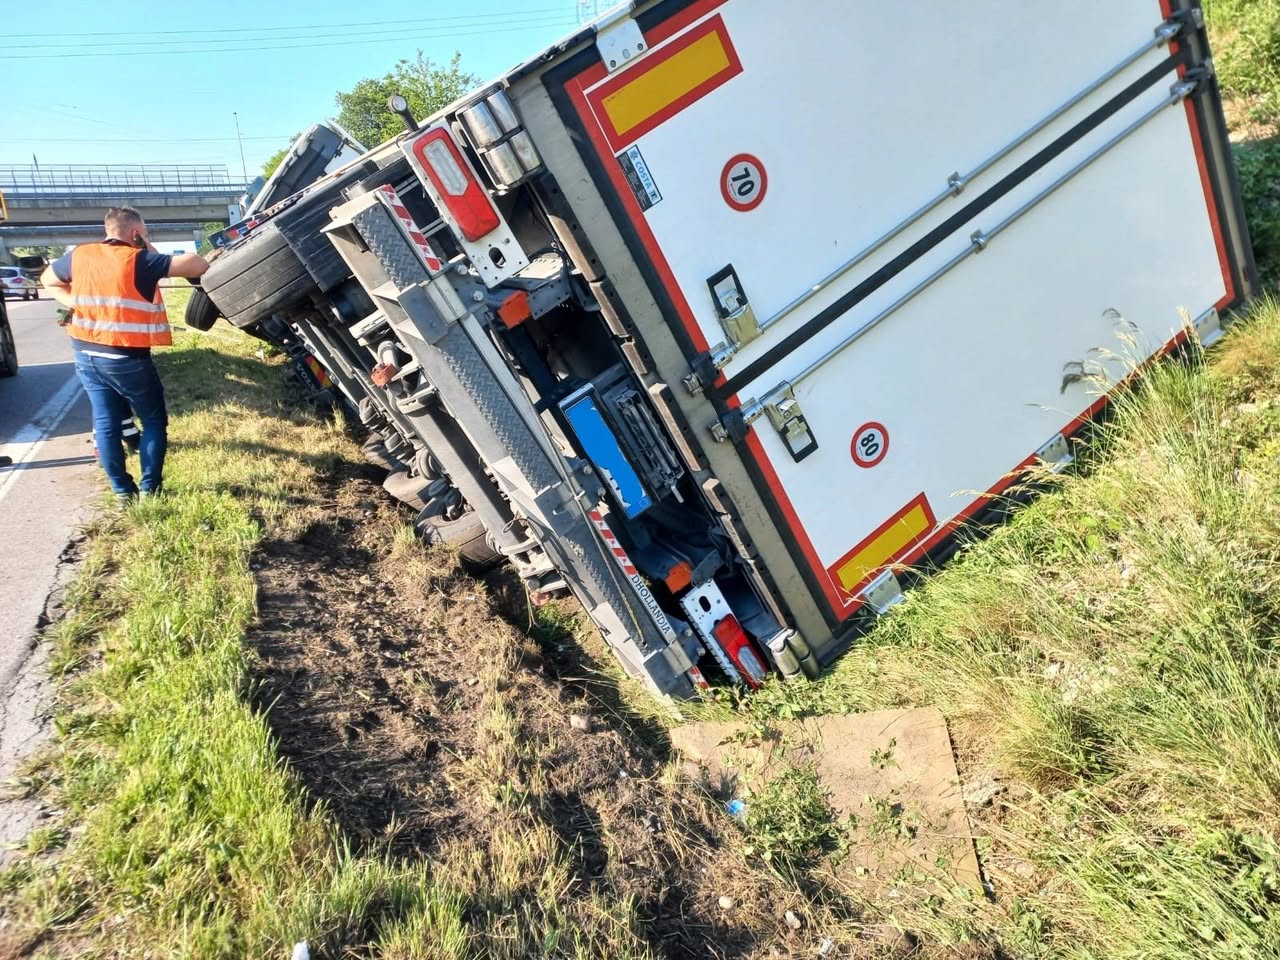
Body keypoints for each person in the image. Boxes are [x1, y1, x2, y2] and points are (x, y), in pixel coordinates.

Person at [41, 206, 209, 504]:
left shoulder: (80, 254)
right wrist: (147, 246)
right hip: (126, 357)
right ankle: (150, 489)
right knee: (154, 421)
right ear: (136, 233)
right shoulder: (139, 259)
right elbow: (198, 265)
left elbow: (47, 280)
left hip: (85, 353)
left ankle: (122, 492)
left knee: (106, 423)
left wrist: (76, 303)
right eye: (144, 233)